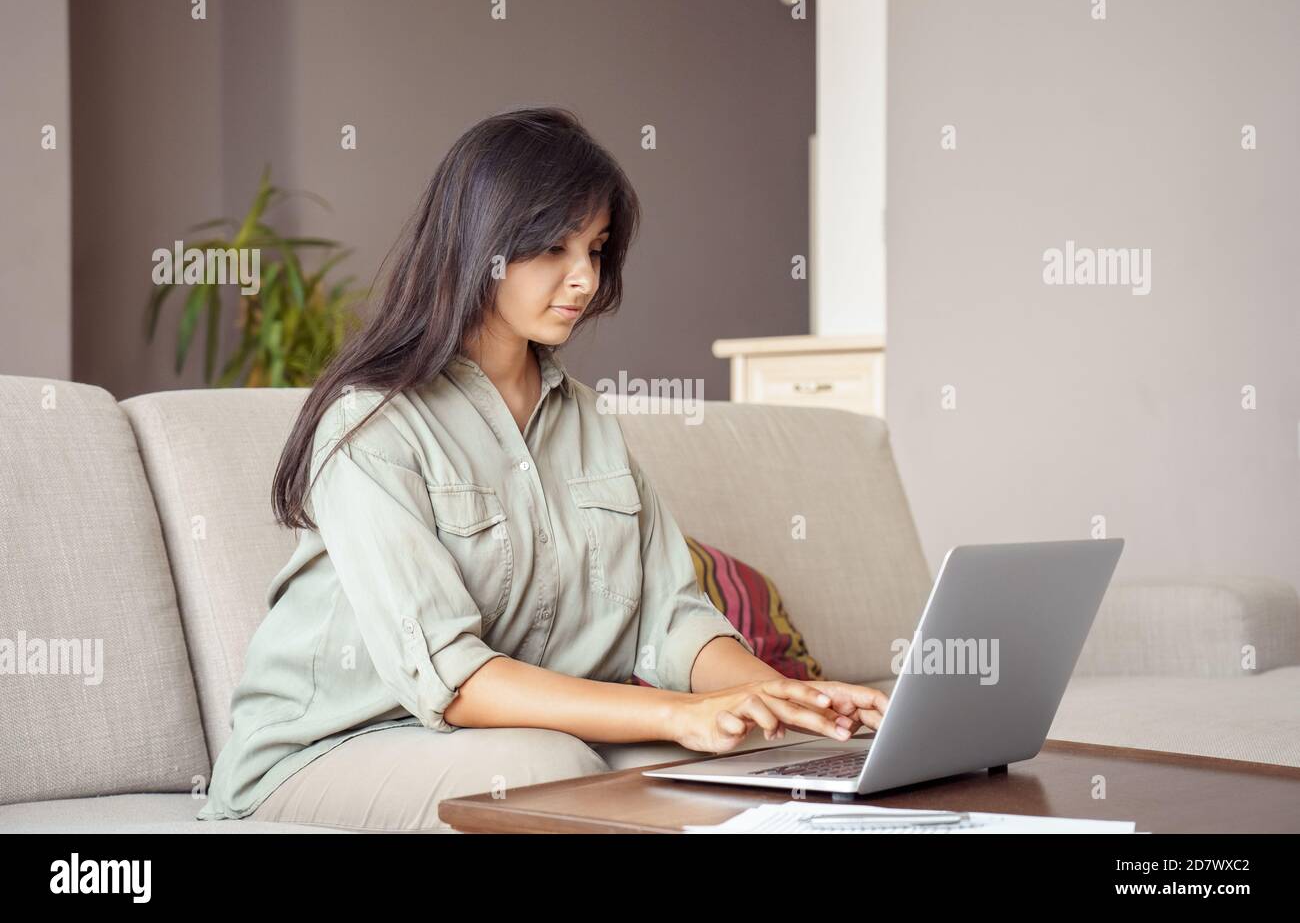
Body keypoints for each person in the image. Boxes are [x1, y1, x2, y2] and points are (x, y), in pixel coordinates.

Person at [196, 106, 888, 831]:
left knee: (736, 767)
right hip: (326, 753)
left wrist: (781, 699)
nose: (584, 279)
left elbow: (674, 618)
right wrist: (679, 713)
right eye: (554, 248)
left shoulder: (585, 420)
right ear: (478, 246)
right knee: (548, 773)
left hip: (513, 741)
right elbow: (452, 677)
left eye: (596, 248)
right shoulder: (372, 423)